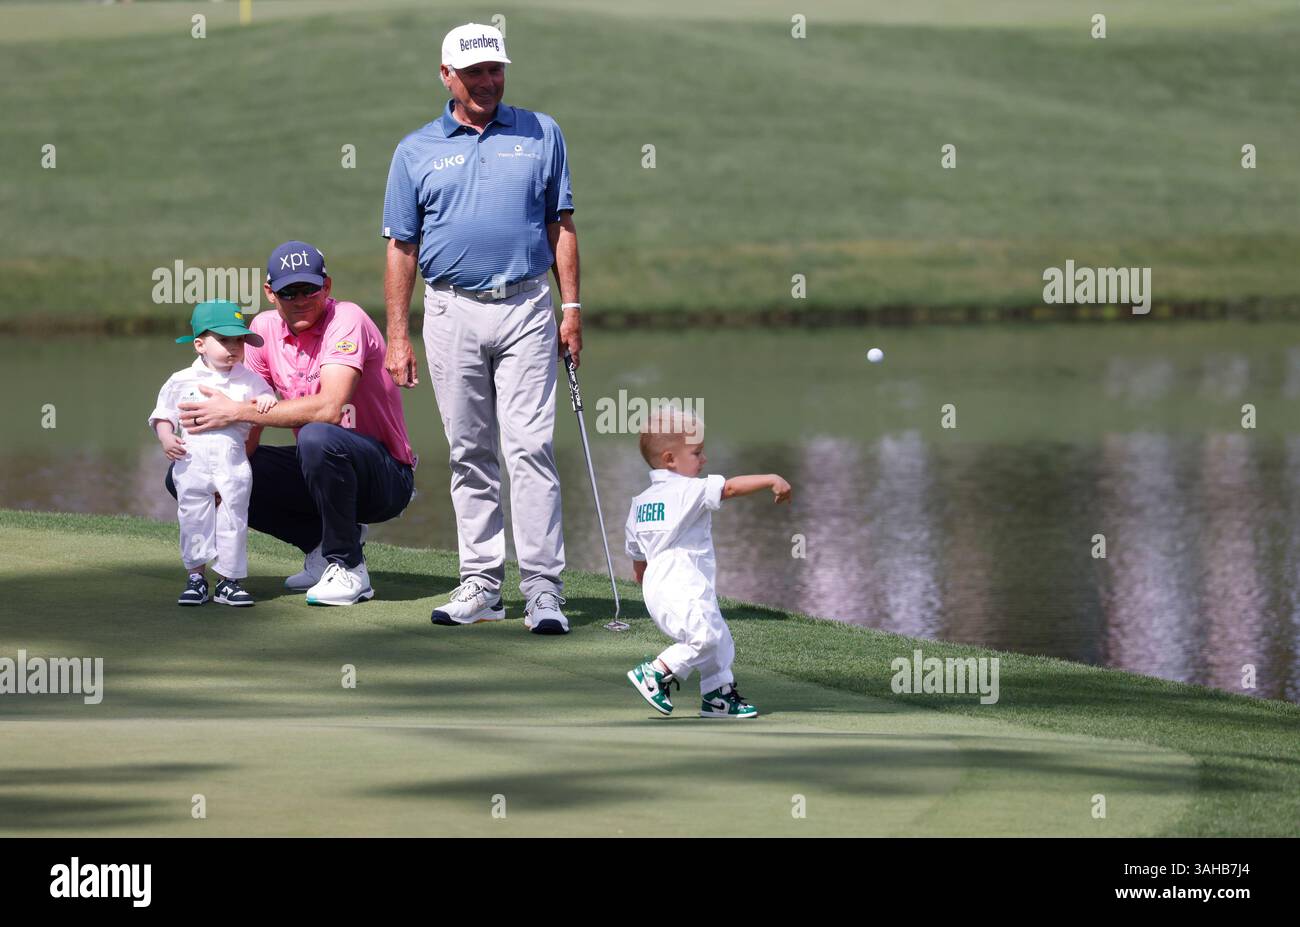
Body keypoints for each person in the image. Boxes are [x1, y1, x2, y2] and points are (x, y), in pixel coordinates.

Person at [381, 22, 582, 634]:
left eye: (496, 70)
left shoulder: (541, 132)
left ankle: (544, 588)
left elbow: (562, 224)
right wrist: (397, 333)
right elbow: (401, 247)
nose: (489, 82)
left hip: (527, 305)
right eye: (475, 73)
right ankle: (482, 583)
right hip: (449, 311)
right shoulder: (415, 150)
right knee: (470, 451)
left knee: (530, 449)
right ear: (447, 76)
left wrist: (571, 309)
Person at [170, 240, 417, 606]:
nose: (300, 299)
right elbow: (252, 424)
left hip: (384, 476)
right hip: (320, 468)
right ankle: (321, 547)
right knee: (198, 469)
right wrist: (221, 476)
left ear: (327, 287)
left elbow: (330, 408)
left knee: (317, 436)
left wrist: (235, 411)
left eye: (309, 289)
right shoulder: (262, 330)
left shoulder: (347, 318)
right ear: (271, 293)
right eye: (289, 291)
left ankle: (348, 566)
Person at [624, 406, 793, 719]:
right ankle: (656, 671)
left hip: (661, 586)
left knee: (719, 638)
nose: (704, 460)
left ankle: (718, 696)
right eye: (697, 453)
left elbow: (638, 561)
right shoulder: (688, 490)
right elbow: (728, 487)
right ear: (670, 460)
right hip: (681, 580)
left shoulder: (641, 503)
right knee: (705, 638)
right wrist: (771, 478)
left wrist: (647, 578)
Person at [150, 300, 277, 607]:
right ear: (200, 344)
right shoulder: (181, 380)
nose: (233, 348)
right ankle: (196, 578)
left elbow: (267, 397)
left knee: (233, 519)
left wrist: (265, 401)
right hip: (191, 463)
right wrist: (167, 439)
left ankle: (229, 582)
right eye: (223, 340)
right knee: (193, 518)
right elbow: (163, 415)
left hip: (233, 463)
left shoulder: (248, 378)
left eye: (238, 340)